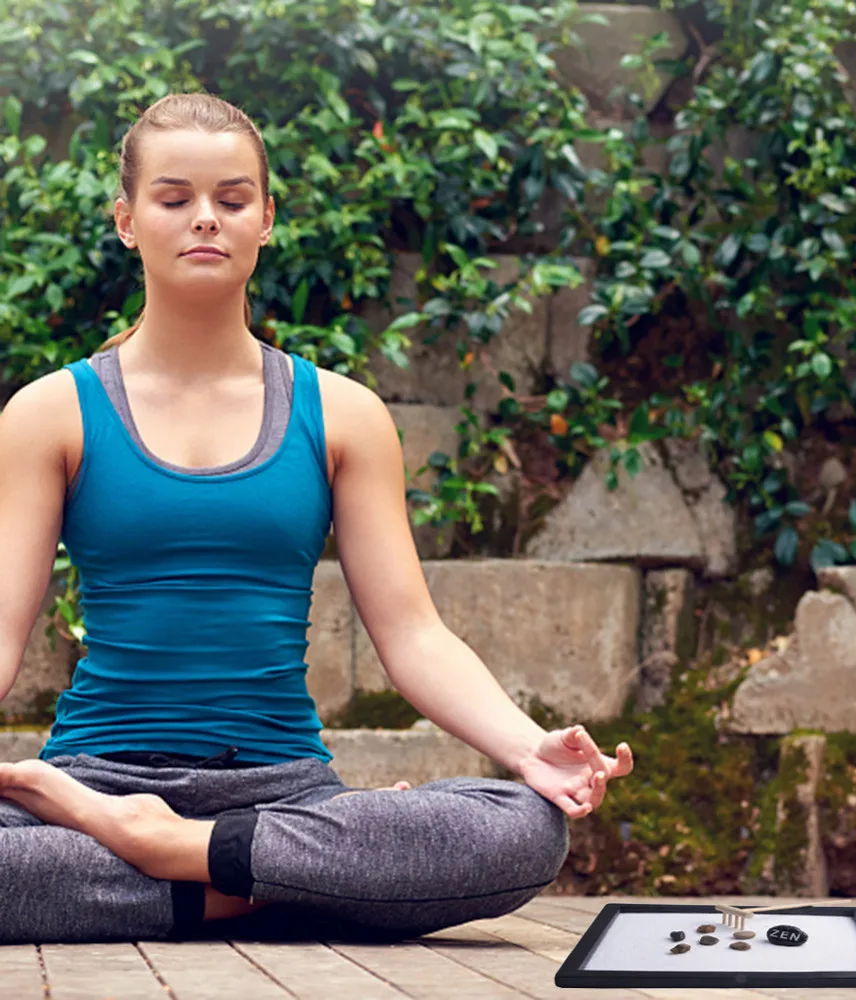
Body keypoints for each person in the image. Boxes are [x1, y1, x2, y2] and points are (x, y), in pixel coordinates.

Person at [0, 92, 633, 945]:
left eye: (231, 199)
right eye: (174, 198)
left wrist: (527, 749)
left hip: (279, 793)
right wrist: (334, 860)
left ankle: (174, 852)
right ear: (126, 220)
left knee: (522, 830)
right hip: (92, 784)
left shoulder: (341, 414)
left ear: (265, 219)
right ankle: (266, 885)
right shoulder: (50, 413)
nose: (205, 219)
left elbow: (412, 635)